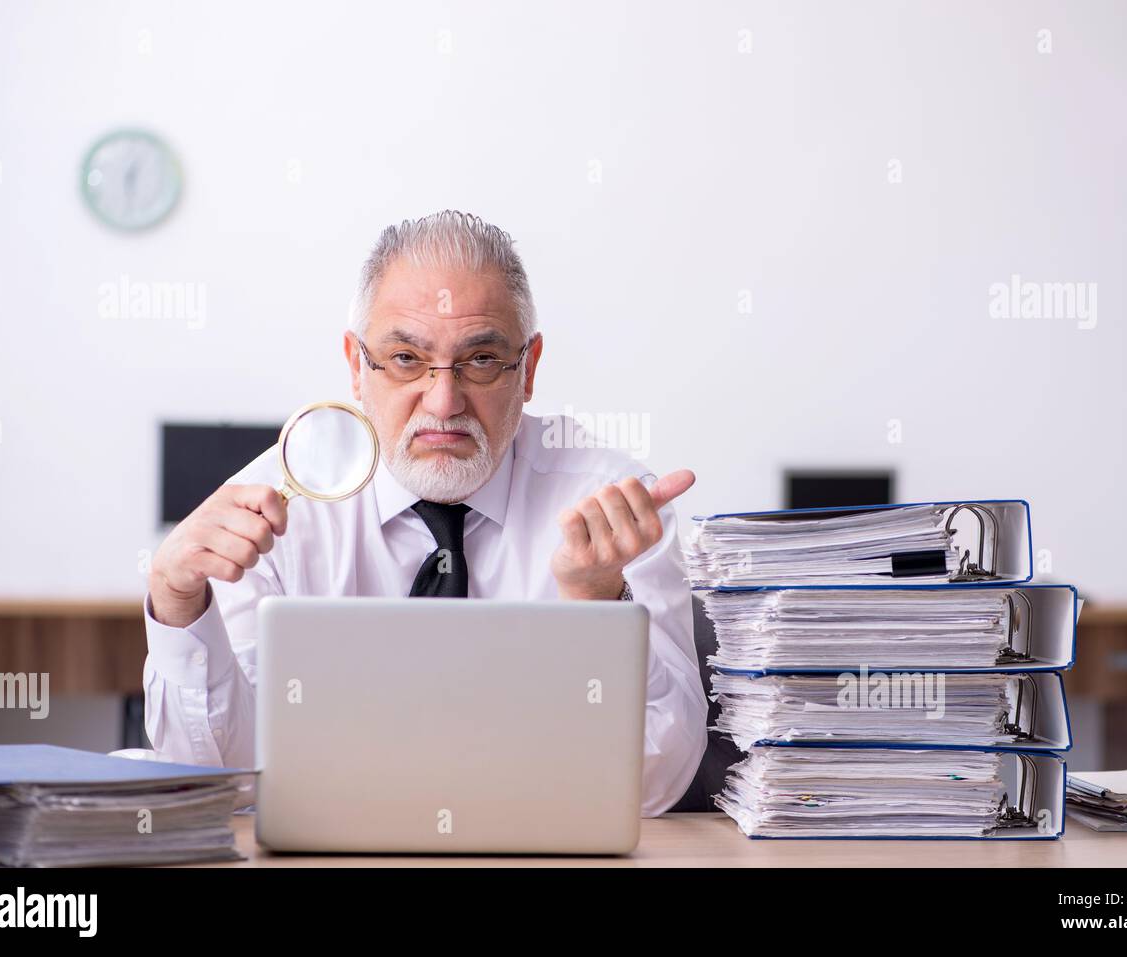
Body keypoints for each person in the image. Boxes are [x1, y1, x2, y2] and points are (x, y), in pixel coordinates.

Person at [142, 210, 708, 815]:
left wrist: (597, 613)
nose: (443, 402)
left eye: (482, 360)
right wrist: (178, 605)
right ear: (357, 367)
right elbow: (219, 775)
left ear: (530, 368)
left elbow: (659, 782)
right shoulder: (270, 506)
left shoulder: (614, 509)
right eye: (408, 358)